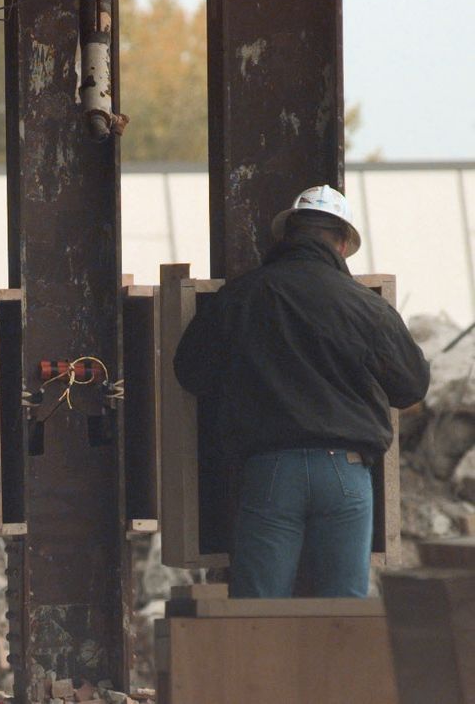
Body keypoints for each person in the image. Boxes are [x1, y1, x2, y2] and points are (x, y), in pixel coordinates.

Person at [173, 184, 429, 598]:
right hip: (346, 471)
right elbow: (411, 385)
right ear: (343, 244)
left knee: (260, 613)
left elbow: (191, 373)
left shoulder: (241, 296)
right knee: (343, 614)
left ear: (287, 236)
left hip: (272, 470)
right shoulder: (368, 307)